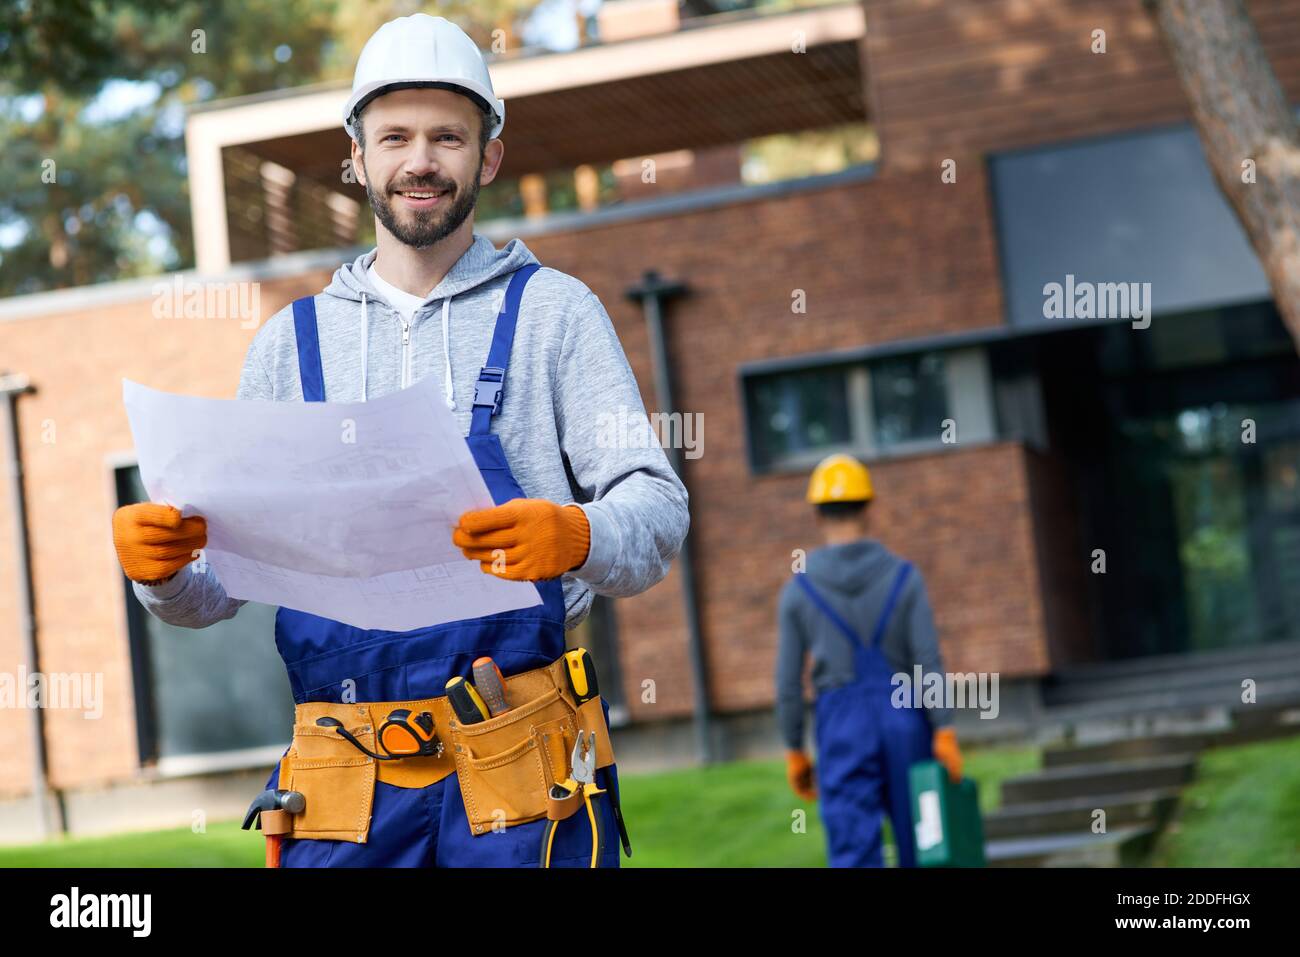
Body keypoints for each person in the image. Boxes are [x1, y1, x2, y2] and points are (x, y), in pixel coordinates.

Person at [110, 14, 689, 867]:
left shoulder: (555, 314)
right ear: (356, 154)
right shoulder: (289, 347)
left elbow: (657, 510)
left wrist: (579, 534)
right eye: (395, 136)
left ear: (487, 155)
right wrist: (160, 574)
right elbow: (220, 590)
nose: (421, 161)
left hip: (517, 777)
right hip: (340, 790)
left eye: (448, 136)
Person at [775, 453, 961, 867]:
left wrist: (794, 749)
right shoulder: (905, 577)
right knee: (927, 846)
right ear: (868, 507)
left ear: (817, 513)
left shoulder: (798, 591)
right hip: (905, 719)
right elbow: (928, 660)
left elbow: (788, 683)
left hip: (841, 728)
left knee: (854, 851)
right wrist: (944, 729)